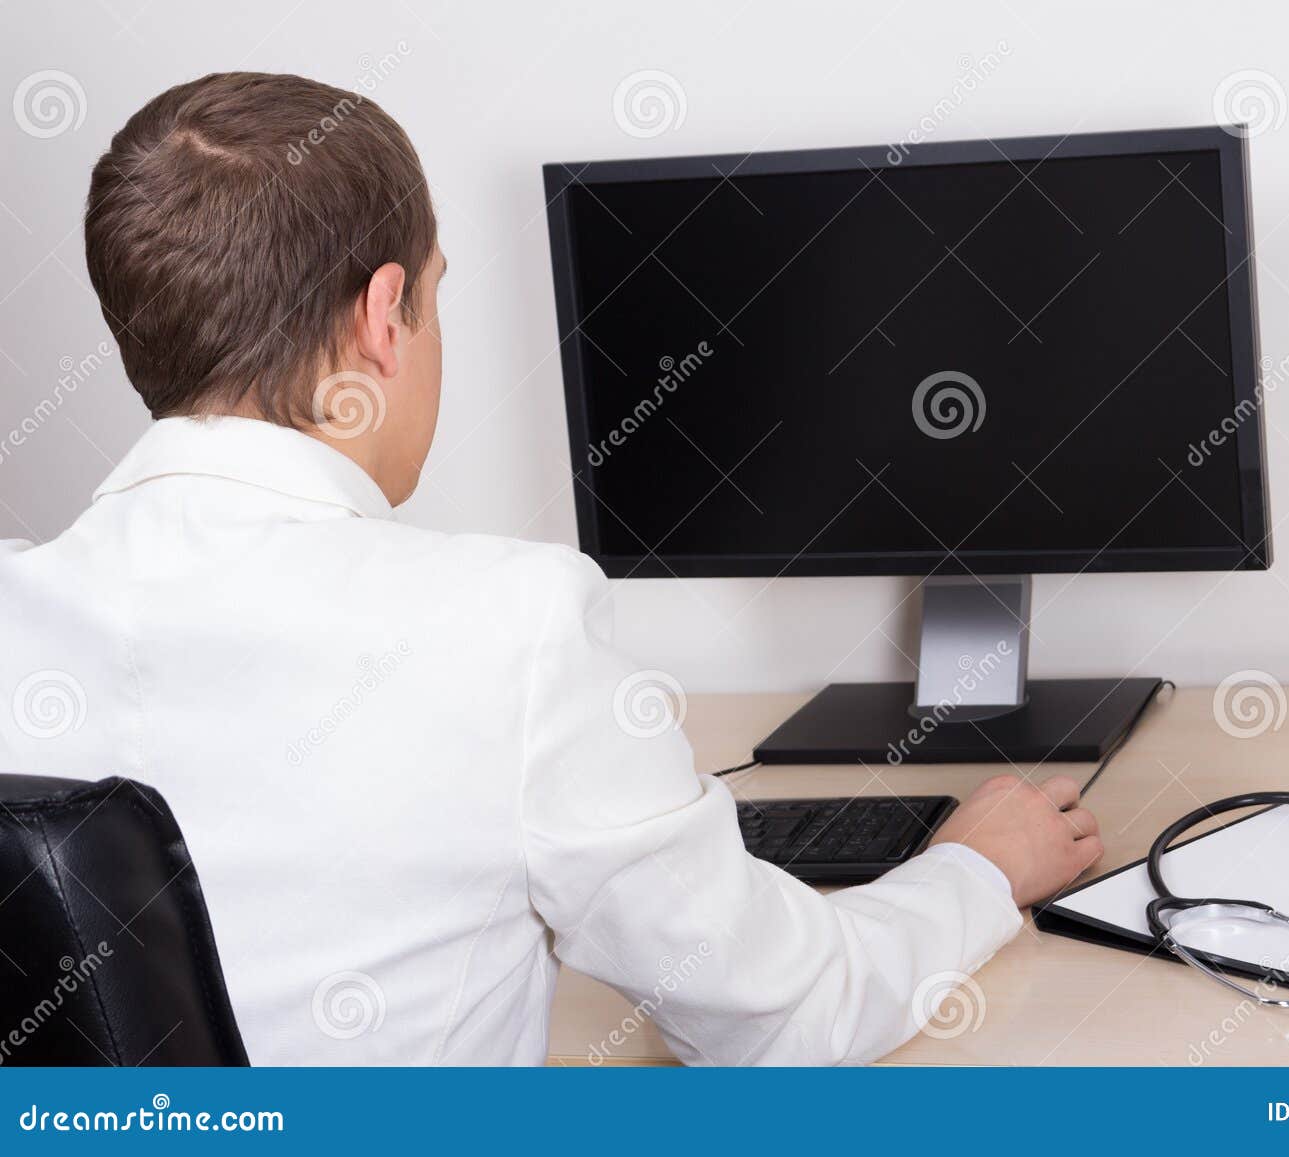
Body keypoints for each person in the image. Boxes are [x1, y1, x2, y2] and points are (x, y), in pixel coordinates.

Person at [0, 72, 1102, 1065]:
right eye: (432, 292)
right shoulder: (507, 623)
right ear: (385, 317)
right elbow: (780, 1021)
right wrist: (974, 870)